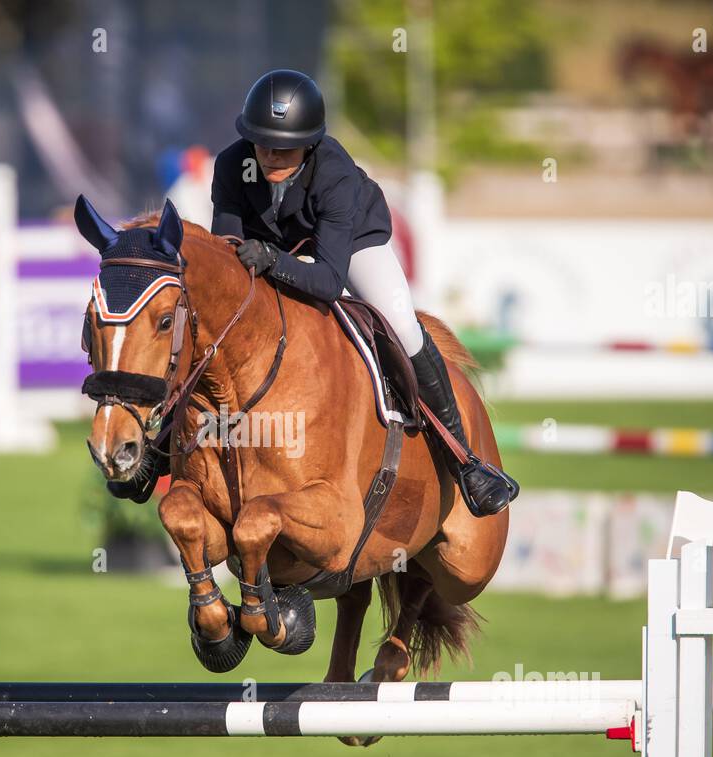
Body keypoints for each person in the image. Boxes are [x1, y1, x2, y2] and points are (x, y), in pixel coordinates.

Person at [210, 69, 515, 518]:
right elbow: (227, 254)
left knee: (400, 323)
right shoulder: (232, 165)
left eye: (284, 147)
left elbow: (330, 281)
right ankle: (160, 444)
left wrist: (272, 260)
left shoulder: (334, 174)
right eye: (261, 143)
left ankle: (465, 460)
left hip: (350, 245)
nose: (270, 155)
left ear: (309, 144)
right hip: (272, 249)